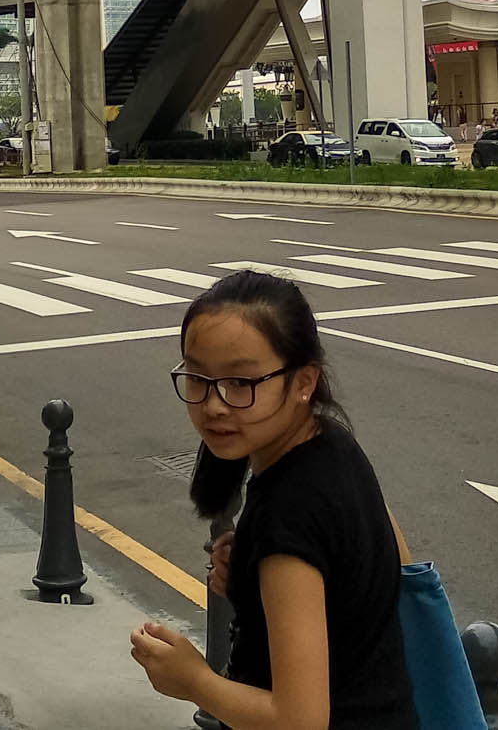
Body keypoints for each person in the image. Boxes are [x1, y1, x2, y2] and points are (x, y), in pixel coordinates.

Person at [131, 270, 415, 729]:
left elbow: (299, 722)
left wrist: (192, 679)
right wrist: (255, 576)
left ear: (303, 382)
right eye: (198, 377)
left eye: (241, 383)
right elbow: (388, 570)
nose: (215, 404)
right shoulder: (333, 442)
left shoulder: (286, 515)